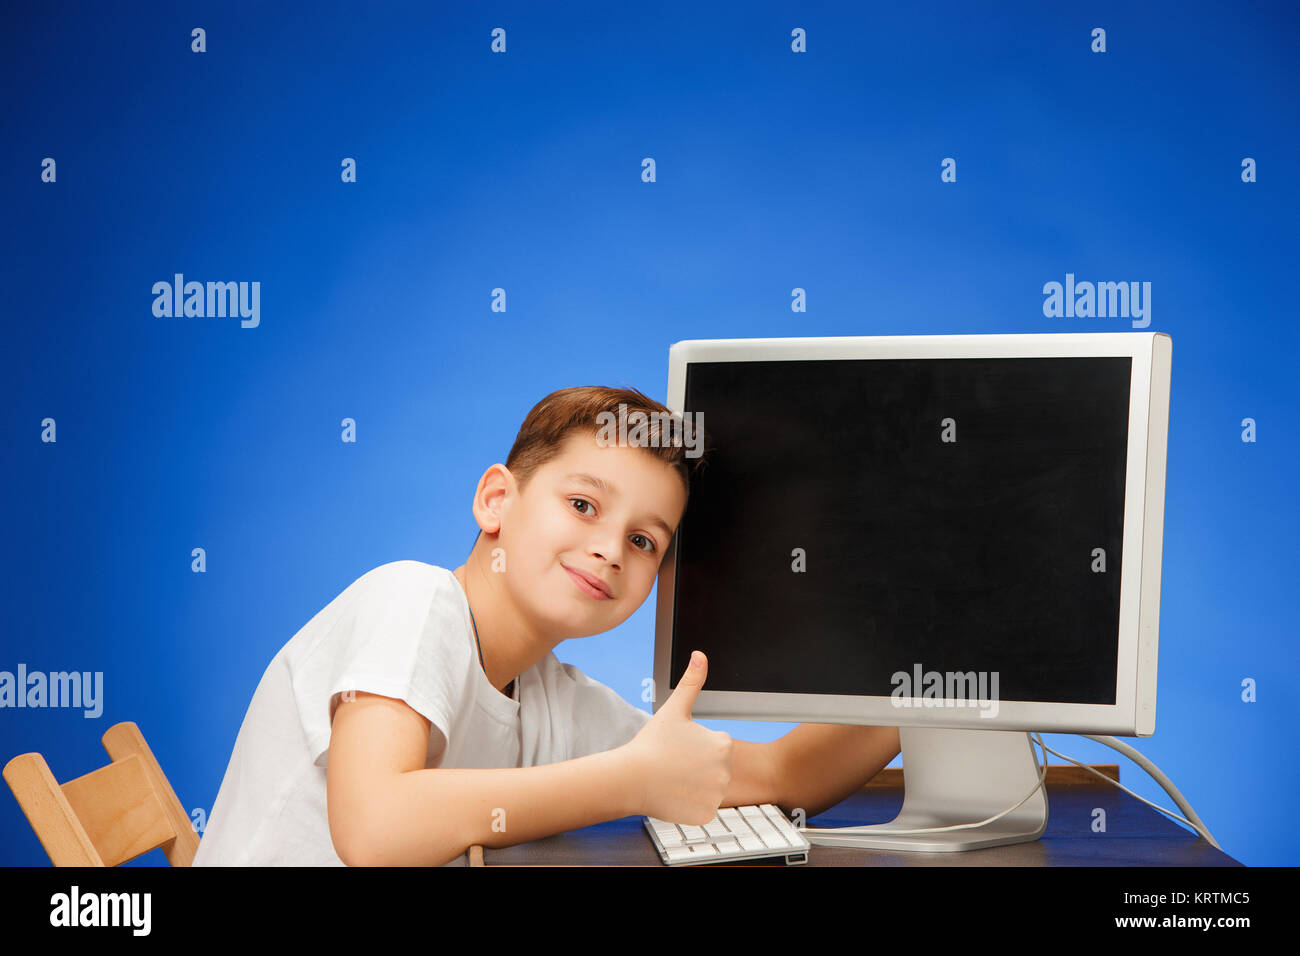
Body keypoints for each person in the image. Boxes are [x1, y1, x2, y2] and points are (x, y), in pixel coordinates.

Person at [192, 385, 898, 866]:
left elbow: (781, 774)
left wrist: (940, 677)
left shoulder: (554, 702)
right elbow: (373, 826)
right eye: (585, 506)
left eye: (645, 541)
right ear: (497, 499)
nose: (609, 549)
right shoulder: (410, 601)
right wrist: (629, 781)